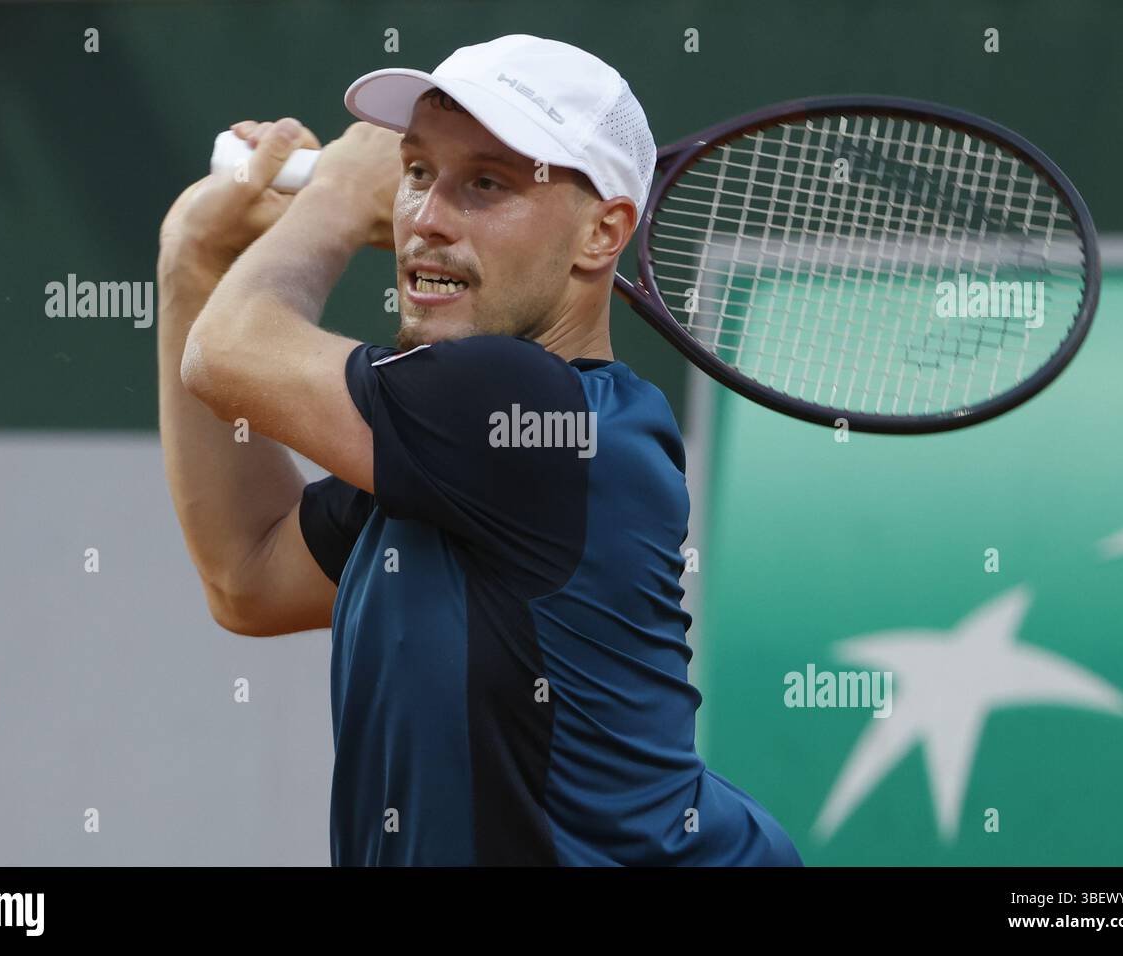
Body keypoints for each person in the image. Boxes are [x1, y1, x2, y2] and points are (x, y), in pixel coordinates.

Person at [157, 33, 800, 866]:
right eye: (416, 172)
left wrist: (335, 204)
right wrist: (195, 256)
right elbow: (246, 576)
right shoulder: (462, 452)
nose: (424, 218)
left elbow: (231, 352)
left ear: (602, 233)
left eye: (486, 185)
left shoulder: (518, 411)